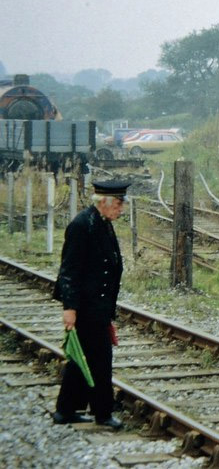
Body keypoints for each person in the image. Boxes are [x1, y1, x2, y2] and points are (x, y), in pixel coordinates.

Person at [52, 179, 127, 429]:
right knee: (99, 359)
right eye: (118, 204)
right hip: (85, 307)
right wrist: (69, 309)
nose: (121, 209)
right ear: (103, 203)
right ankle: (102, 413)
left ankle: (65, 410)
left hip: (98, 306)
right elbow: (69, 270)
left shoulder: (103, 223)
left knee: (82, 358)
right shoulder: (82, 225)